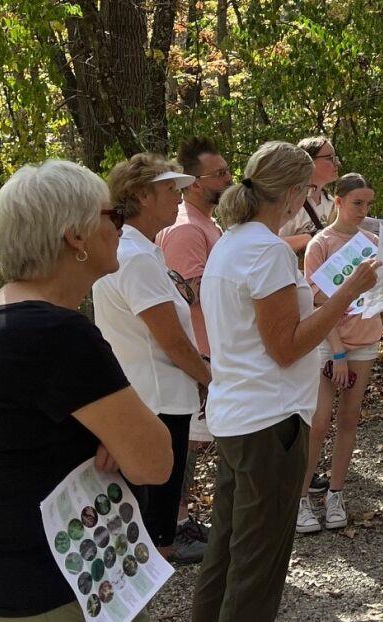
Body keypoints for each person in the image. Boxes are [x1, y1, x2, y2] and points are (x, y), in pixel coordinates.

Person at [192, 141, 377, 621]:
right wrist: (348, 293)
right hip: (268, 423)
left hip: (238, 413)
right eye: (309, 190)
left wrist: (321, 300)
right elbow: (286, 347)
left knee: (225, 553)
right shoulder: (266, 250)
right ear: (294, 194)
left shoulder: (231, 242)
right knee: (257, 566)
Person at [0, 160, 172, 620]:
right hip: (67, 593)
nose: (120, 227)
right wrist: (115, 438)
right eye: (113, 215)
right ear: (76, 237)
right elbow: (154, 461)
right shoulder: (60, 335)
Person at [94, 153, 212, 565]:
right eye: (169, 189)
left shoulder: (138, 249)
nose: (178, 197)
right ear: (142, 195)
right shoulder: (136, 256)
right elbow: (172, 342)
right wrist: (211, 379)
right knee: (152, 532)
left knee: (146, 521)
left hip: (149, 397)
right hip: (156, 402)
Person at [297, 173, 383, 534]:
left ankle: (335, 493)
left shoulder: (372, 242)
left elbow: (379, 291)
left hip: (364, 339)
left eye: (367, 204)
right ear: (338, 201)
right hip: (327, 342)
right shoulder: (320, 244)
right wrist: (336, 351)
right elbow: (317, 300)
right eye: (356, 203)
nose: (363, 210)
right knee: (319, 422)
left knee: (349, 418)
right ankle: (301, 497)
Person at [156, 136, 230, 545]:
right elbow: (186, 294)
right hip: (198, 354)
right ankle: (176, 523)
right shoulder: (186, 229)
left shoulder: (206, 223)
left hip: (212, 351)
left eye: (226, 170)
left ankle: (180, 519)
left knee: (196, 442)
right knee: (188, 443)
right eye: (219, 174)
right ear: (195, 183)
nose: (228, 179)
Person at [279, 136, 341, 255]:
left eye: (336, 158)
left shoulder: (332, 203)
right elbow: (270, 245)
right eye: (330, 158)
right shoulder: (289, 202)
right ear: (308, 161)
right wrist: (312, 237)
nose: (337, 163)